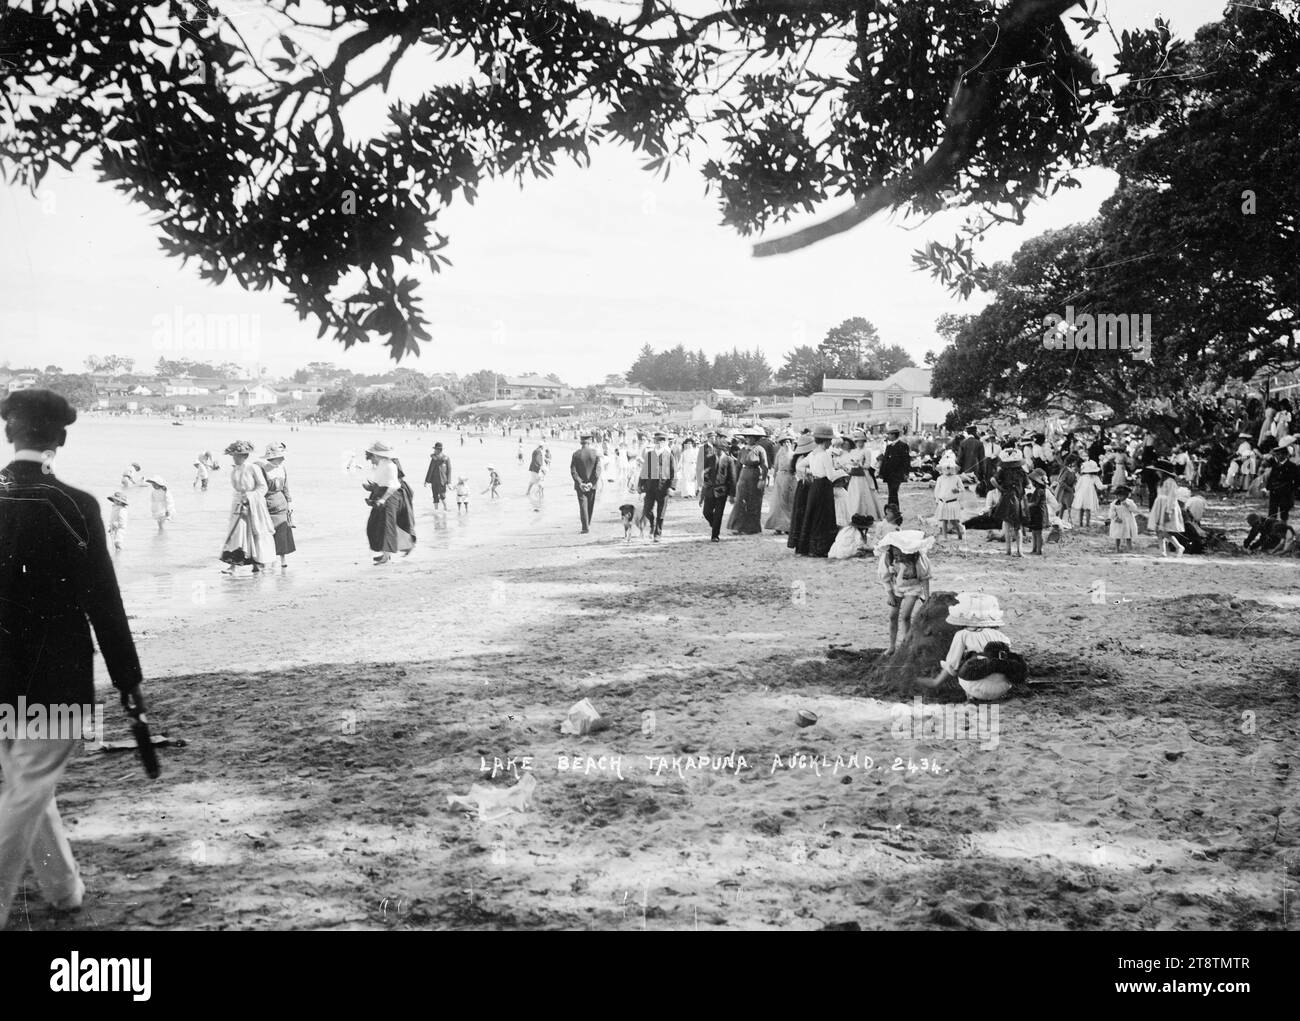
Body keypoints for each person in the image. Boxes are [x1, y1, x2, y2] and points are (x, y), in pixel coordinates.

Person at [0, 389, 147, 926]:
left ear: (8, 433)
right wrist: (128, 678)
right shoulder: (76, 505)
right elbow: (103, 601)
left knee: (24, 784)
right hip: (55, 674)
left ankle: (63, 890)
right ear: (59, 440)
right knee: (30, 786)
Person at [916, 593, 1021, 703]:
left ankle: (970, 697)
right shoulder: (1001, 636)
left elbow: (952, 665)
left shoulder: (963, 634)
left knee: (966, 662)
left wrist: (936, 682)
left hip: (978, 688)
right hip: (1003, 687)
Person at [220, 440, 275, 574]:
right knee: (236, 533)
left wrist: (250, 497)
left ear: (244, 456)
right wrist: (240, 500)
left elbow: (263, 487)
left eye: (236, 455)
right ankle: (233, 566)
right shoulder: (235, 469)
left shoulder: (253, 468)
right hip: (238, 504)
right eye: (233, 455)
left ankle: (257, 564)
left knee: (254, 532)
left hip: (254, 506)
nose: (234, 457)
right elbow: (237, 488)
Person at [875, 530, 933, 654]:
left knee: (905, 616)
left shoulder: (917, 559)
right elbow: (884, 578)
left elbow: (925, 578)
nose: (899, 557)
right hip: (897, 588)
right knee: (892, 616)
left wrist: (927, 598)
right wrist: (890, 594)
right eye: (896, 554)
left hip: (913, 587)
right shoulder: (888, 558)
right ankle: (891, 646)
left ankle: (906, 646)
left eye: (902, 554)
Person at [796, 424, 845, 558]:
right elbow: (830, 476)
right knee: (824, 517)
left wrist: (812, 472)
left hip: (815, 486)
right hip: (824, 486)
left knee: (812, 514)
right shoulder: (825, 455)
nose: (831, 443)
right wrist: (842, 472)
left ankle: (808, 548)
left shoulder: (813, 453)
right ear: (825, 440)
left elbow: (799, 466)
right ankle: (820, 548)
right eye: (830, 440)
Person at [364, 441, 416, 564]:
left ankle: (386, 556)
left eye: (371, 456)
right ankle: (402, 547)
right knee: (374, 524)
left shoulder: (390, 466)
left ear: (377, 455)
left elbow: (393, 486)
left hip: (390, 496)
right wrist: (371, 488)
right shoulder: (382, 465)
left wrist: (383, 499)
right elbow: (381, 481)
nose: (371, 460)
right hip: (382, 495)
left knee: (386, 526)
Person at [259, 443, 295, 570]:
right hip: (268, 505)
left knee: (282, 533)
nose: (283, 459)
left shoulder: (283, 469)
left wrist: (289, 504)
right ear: (273, 458)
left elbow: (286, 488)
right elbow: (261, 489)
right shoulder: (263, 470)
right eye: (280, 457)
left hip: (282, 505)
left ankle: (282, 559)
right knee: (268, 534)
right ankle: (269, 559)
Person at [638, 431, 676, 542]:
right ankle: (652, 522)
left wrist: (672, 487)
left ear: (665, 442)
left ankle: (657, 533)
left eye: (662, 441)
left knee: (661, 513)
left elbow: (673, 473)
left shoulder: (669, 456)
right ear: (654, 441)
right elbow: (644, 471)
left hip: (663, 488)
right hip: (650, 488)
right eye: (657, 441)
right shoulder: (650, 455)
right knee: (647, 510)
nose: (659, 443)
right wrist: (640, 486)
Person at [730, 428, 768, 535]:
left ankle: (752, 528)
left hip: (755, 475)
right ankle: (739, 527)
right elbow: (738, 466)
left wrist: (763, 479)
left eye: (752, 437)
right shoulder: (742, 450)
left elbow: (765, 466)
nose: (749, 439)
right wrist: (735, 481)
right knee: (740, 500)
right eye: (747, 437)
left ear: (756, 439)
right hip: (743, 475)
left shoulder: (760, 449)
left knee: (753, 502)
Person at [701, 435, 737, 543]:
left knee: (718, 514)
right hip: (710, 490)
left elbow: (732, 478)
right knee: (706, 512)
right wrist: (705, 485)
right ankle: (714, 524)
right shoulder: (709, 458)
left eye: (720, 449)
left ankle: (715, 535)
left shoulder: (729, 460)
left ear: (724, 450)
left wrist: (732, 495)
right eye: (716, 448)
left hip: (722, 490)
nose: (717, 450)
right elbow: (704, 473)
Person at [993, 447, 1027, 557]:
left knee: (1007, 525)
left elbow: (992, 480)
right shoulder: (1021, 471)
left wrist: (1000, 488)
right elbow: (1028, 485)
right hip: (1018, 498)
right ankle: (1019, 550)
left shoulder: (1003, 471)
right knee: (1018, 527)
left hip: (1006, 498)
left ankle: (1008, 550)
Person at [786, 432, 815, 552]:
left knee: (801, 515)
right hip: (805, 487)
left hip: (803, 487)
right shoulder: (802, 460)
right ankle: (802, 544)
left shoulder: (798, 458)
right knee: (803, 514)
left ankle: (801, 543)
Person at [764, 432, 796, 534]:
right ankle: (778, 527)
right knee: (778, 503)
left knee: (788, 502)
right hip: (780, 478)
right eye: (785, 442)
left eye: (789, 442)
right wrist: (774, 479)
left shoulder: (793, 454)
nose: (787, 444)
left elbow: (795, 468)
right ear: (781, 444)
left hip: (790, 478)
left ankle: (788, 527)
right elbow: (776, 467)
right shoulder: (779, 454)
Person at [570, 432, 600, 534]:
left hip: (580, 486)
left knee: (583, 505)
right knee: (590, 505)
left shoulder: (576, 454)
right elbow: (597, 471)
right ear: (590, 441)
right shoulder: (595, 453)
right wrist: (591, 483)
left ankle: (585, 527)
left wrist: (580, 482)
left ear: (581, 442)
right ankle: (588, 524)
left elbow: (573, 471)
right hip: (592, 485)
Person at [1149, 476, 1185, 557]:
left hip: (1166, 506)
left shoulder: (1170, 481)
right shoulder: (1160, 481)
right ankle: (1162, 551)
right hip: (1159, 505)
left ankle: (1178, 546)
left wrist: (1168, 511)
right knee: (1158, 529)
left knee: (1164, 530)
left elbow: (1172, 497)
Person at [1263, 446, 1299, 522]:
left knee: (1284, 512)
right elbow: (1271, 477)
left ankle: (1283, 528)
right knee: (1272, 512)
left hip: (1285, 492)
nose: (1278, 456)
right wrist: (1268, 488)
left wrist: (1292, 490)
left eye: (1280, 454)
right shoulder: (1275, 465)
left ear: (1285, 455)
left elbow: (1297, 480)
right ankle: (1271, 527)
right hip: (1274, 491)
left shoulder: (1292, 466)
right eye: (1277, 455)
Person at [933, 461, 965, 543]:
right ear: (942, 469)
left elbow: (962, 488)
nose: (948, 471)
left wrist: (957, 490)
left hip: (952, 502)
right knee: (944, 520)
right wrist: (937, 500)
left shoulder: (956, 478)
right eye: (946, 469)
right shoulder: (940, 479)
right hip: (943, 502)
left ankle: (959, 533)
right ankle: (945, 536)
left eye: (950, 468)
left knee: (953, 520)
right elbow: (937, 490)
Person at [879, 427, 911, 509]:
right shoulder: (889, 446)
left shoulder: (903, 446)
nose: (888, 436)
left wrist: (906, 473)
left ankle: (894, 509)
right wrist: (882, 472)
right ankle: (892, 510)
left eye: (889, 434)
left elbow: (906, 460)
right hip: (889, 474)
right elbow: (885, 460)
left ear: (893, 435)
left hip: (897, 474)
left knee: (893, 492)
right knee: (891, 493)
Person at [1072, 459, 1102, 528]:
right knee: (1088, 509)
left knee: (1081, 509)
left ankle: (1080, 523)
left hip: (1082, 493)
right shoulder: (1095, 477)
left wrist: (1076, 493)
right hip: (1090, 494)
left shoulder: (1082, 477)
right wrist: (1107, 486)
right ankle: (1087, 523)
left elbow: (1077, 486)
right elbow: (1100, 486)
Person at [1024, 468, 1048, 555]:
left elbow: (1036, 503)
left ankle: (1038, 550)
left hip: (1039, 513)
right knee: (1035, 531)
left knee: (1037, 532)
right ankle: (1035, 549)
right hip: (1036, 513)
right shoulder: (1039, 490)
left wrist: (1027, 505)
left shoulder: (1039, 491)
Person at [1108, 484, 1138, 552]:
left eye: (1122, 496)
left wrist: (1128, 506)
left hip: (1127, 521)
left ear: (1126, 495)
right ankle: (1117, 548)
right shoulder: (1114, 503)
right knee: (1117, 535)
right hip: (1119, 521)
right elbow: (1111, 512)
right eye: (1119, 496)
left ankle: (1129, 548)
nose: (1120, 497)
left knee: (1128, 535)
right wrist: (1115, 518)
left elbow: (1135, 510)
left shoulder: (1129, 502)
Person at [424, 442, 452, 512]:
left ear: (439, 450)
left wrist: (449, 482)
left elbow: (449, 470)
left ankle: (446, 508)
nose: (434, 451)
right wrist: (426, 481)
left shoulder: (446, 458)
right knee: (435, 496)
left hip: (442, 480)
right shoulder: (433, 458)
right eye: (434, 449)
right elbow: (430, 469)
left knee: (442, 495)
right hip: (434, 480)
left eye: (435, 449)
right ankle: (436, 510)